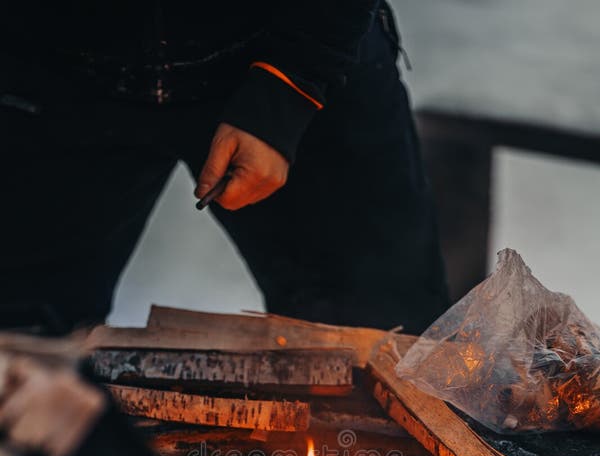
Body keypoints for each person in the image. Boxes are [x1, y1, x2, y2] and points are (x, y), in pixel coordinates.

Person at [0, 1, 449, 336]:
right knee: (20, 347)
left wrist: (289, 85)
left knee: (380, 342)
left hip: (299, 45)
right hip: (44, 77)